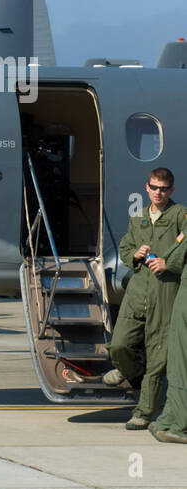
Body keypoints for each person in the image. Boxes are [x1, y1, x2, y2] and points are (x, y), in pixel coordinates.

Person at [105, 168, 187, 429]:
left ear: (171, 190)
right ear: (147, 187)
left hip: (164, 292)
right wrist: (136, 255)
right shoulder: (138, 219)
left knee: (157, 354)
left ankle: (144, 412)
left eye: (163, 188)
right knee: (119, 344)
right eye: (154, 187)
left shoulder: (179, 216)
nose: (158, 193)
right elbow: (126, 247)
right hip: (138, 290)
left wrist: (169, 263)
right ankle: (129, 370)